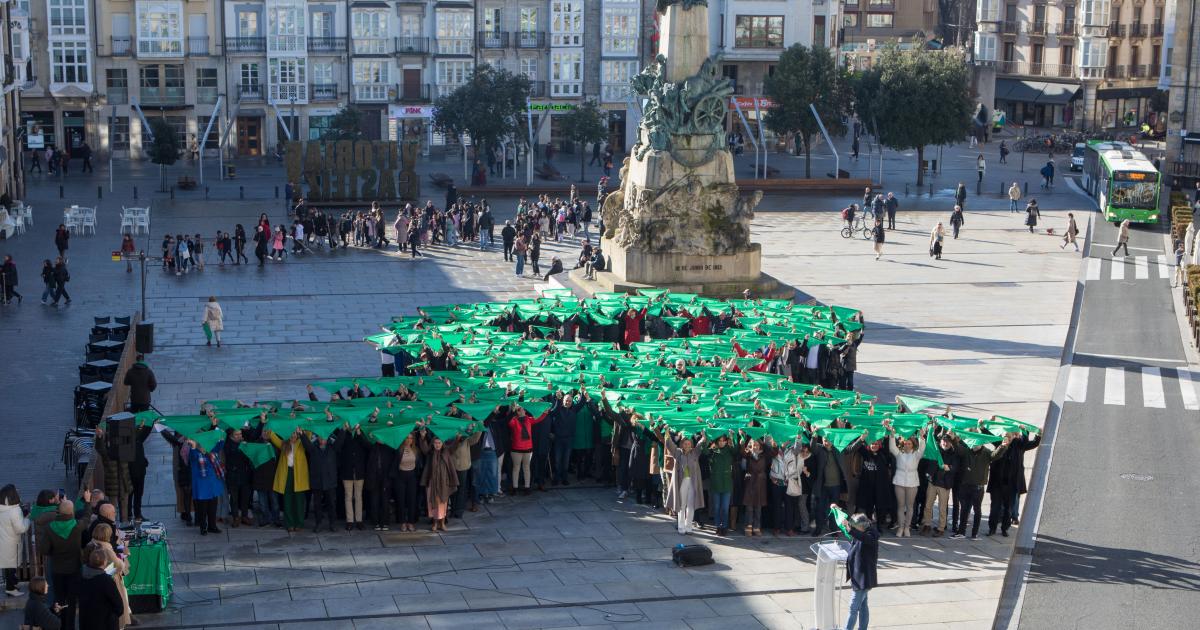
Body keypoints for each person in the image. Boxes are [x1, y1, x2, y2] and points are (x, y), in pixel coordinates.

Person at [38, 491, 93, 630]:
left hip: (57, 569)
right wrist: (87, 501)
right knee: (72, 601)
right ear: (71, 512)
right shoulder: (76, 526)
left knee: (59, 599)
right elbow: (87, 517)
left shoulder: (50, 528)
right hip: (74, 569)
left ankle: (60, 626)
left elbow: (43, 550)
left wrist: (54, 553)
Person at [950, 431, 1010, 540]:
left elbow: (995, 455)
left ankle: (974, 534)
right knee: (964, 509)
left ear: (981, 443)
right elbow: (957, 448)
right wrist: (953, 438)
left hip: (978, 487)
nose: (974, 445)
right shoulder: (967, 450)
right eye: (973, 443)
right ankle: (961, 532)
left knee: (977, 511)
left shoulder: (986, 452)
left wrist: (1003, 446)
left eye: (977, 443)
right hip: (965, 485)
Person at [832, 510, 879, 630]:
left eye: (855, 528)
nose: (854, 530)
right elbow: (854, 534)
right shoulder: (861, 531)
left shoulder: (870, 536)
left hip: (863, 578)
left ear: (862, 526)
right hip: (859, 576)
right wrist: (838, 510)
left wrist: (851, 529)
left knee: (853, 608)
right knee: (863, 606)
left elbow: (862, 538)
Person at [82, 523, 131, 628]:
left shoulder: (90, 544)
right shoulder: (106, 549)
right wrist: (123, 554)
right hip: (109, 579)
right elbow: (119, 565)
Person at [266, 427, 310, 532]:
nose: (293, 435)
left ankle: (299, 523)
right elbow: (272, 436)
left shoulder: (302, 443)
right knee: (287, 500)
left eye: (295, 433)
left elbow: (308, 435)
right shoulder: (284, 444)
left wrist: (307, 424)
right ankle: (289, 523)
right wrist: (269, 423)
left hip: (299, 475)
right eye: (291, 433)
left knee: (299, 500)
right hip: (287, 474)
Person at [419, 430, 461, 532]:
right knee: (432, 503)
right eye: (435, 443)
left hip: (443, 483)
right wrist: (423, 437)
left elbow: (454, 446)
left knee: (442, 503)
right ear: (433, 444)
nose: (437, 445)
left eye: (439, 443)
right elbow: (424, 448)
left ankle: (442, 523)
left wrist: (458, 438)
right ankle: (434, 523)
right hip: (432, 483)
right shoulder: (430, 453)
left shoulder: (447, 452)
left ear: (442, 444)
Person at [888, 428, 924, 538]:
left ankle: (907, 527)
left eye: (909, 444)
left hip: (912, 483)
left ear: (913, 445)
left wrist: (921, 437)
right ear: (903, 444)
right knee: (900, 506)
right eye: (905, 443)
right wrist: (892, 434)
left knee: (910, 506)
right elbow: (892, 447)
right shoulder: (899, 454)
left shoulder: (916, 455)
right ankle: (900, 527)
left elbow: (922, 449)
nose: (907, 445)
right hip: (899, 481)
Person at [77, 548, 124, 630]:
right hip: (105, 623)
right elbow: (119, 606)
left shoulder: (79, 575)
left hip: (86, 622)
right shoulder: (106, 581)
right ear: (104, 562)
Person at [0, 485, 30, 596]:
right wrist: (27, 519)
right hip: (12, 542)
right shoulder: (14, 510)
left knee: (8, 565)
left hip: (3, 541)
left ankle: (12, 583)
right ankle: (10, 588)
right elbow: (21, 528)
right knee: (11, 566)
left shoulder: (2, 508)